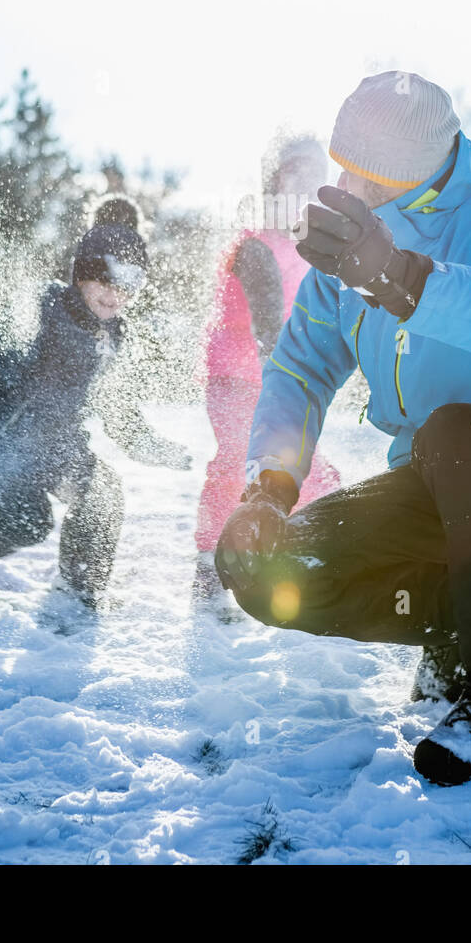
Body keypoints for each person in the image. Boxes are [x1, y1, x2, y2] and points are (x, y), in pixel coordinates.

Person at [215, 71, 471, 787]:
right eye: (342, 163)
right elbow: (299, 369)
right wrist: (269, 490)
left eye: (361, 170)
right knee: (265, 568)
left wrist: (404, 280)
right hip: (440, 485)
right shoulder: (349, 250)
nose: (344, 181)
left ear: (404, 175)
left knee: (458, 433)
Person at [0, 221, 191, 605]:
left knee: (102, 493)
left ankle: (79, 588)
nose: (114, 296)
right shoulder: (40, 309)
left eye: (127, 288)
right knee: (28, 522)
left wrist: (146, 444)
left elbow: (116, 404)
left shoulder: (113, 335)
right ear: (81, 276)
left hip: (61, 446)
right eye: (106, 282)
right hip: (7, 447)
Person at [194, 135, 340, 602]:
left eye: (315, 176)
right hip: (234, 377)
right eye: (295, 174)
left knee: (312, 471)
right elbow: (266, 308)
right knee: (240, 461)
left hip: (274, 382)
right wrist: (276, 355)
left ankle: (319, 557)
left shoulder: (307, 247)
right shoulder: (255, 244)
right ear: (275, 181)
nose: (305, 185)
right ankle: (210, 567)